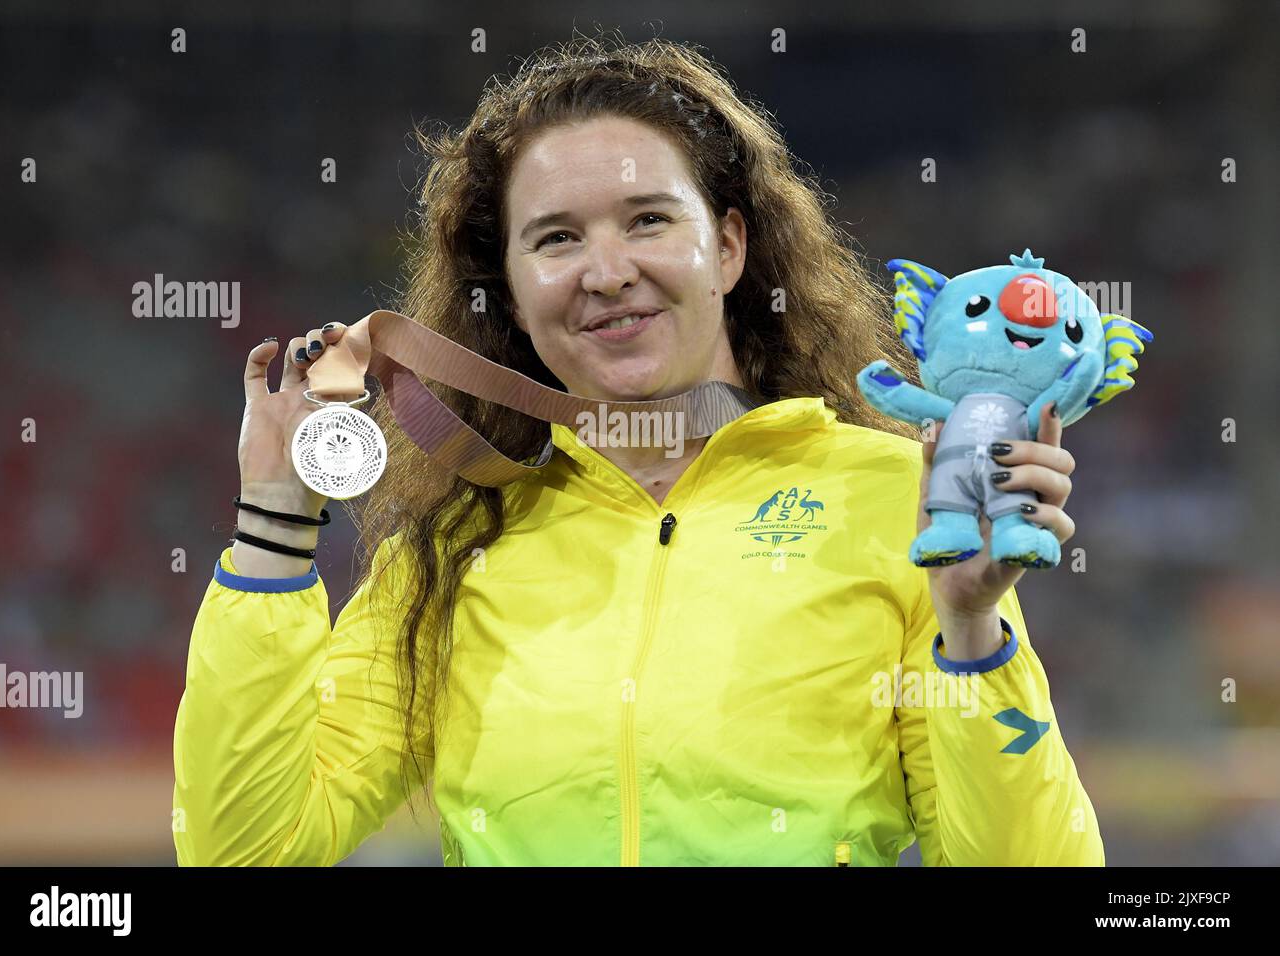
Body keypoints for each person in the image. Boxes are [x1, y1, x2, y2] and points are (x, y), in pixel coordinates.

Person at [172, 35, 1102, 866]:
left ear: (729, 247)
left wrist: (975, 635)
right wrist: (275, 519)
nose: (608, 272)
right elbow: (244, 853)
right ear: (511, 288)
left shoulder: (898, 502)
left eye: (649, 220)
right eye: (556, 239)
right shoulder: (454, 543)